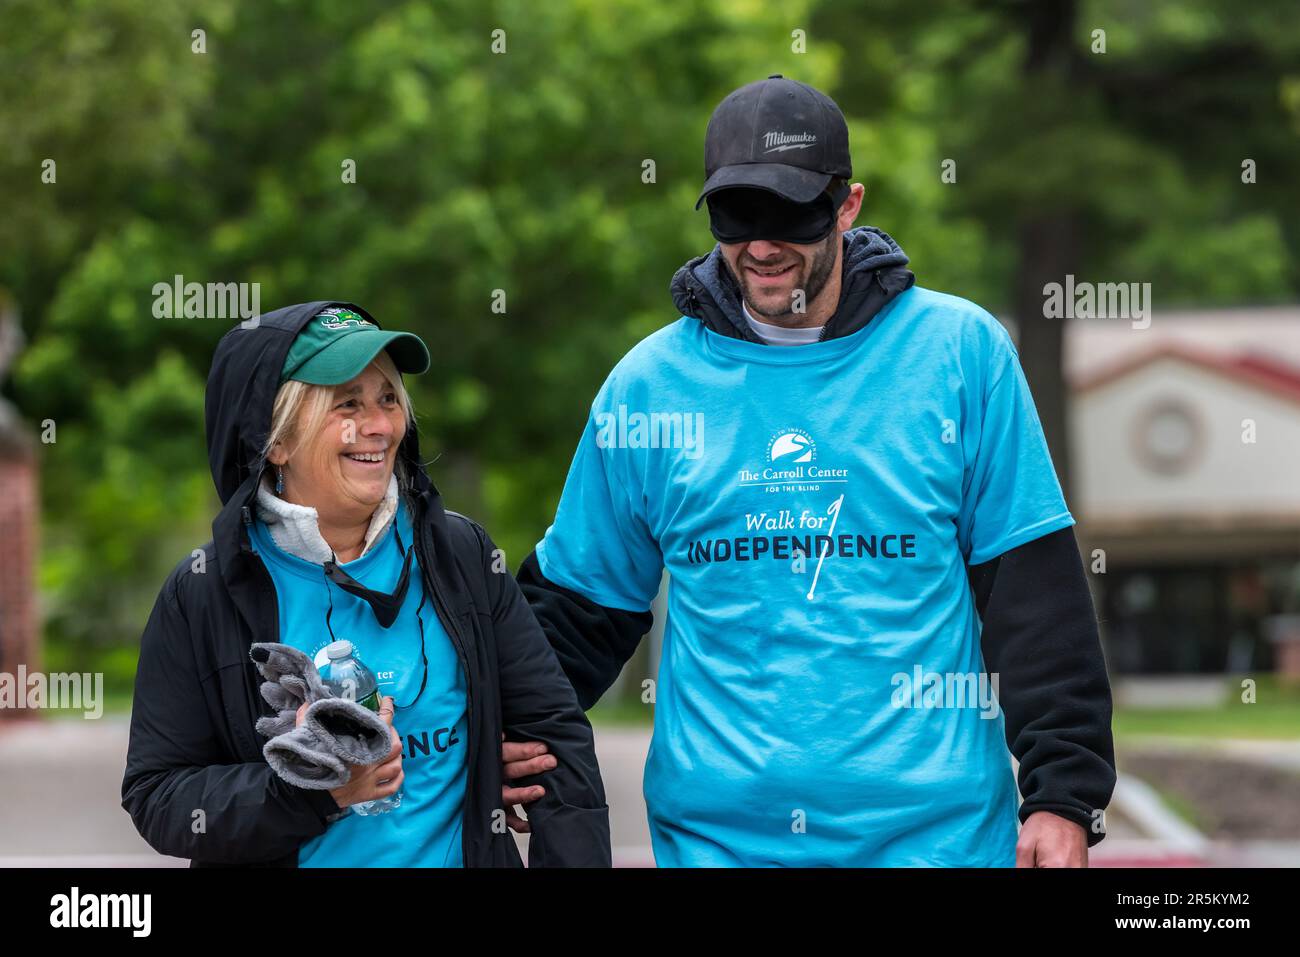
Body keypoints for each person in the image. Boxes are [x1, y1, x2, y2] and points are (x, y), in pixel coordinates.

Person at [513, 76, 1116, 867]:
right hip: (719, 845)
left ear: (847, 204)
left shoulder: (961, 357)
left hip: (936, 841)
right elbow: (577, 611)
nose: (761, 245)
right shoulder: (648, 387)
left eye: (790, 212)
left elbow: (1034, 595)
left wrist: (1062, 796)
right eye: (735, 213)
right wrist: (510, 729)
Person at [122, 301, 610, 867]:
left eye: (387, 398)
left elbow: (556, 742)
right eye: (348, 404)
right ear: (274, 441)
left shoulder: (462, 555)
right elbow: (157, 795)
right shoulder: (202, 592)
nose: (379, 425)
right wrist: (309, 792)